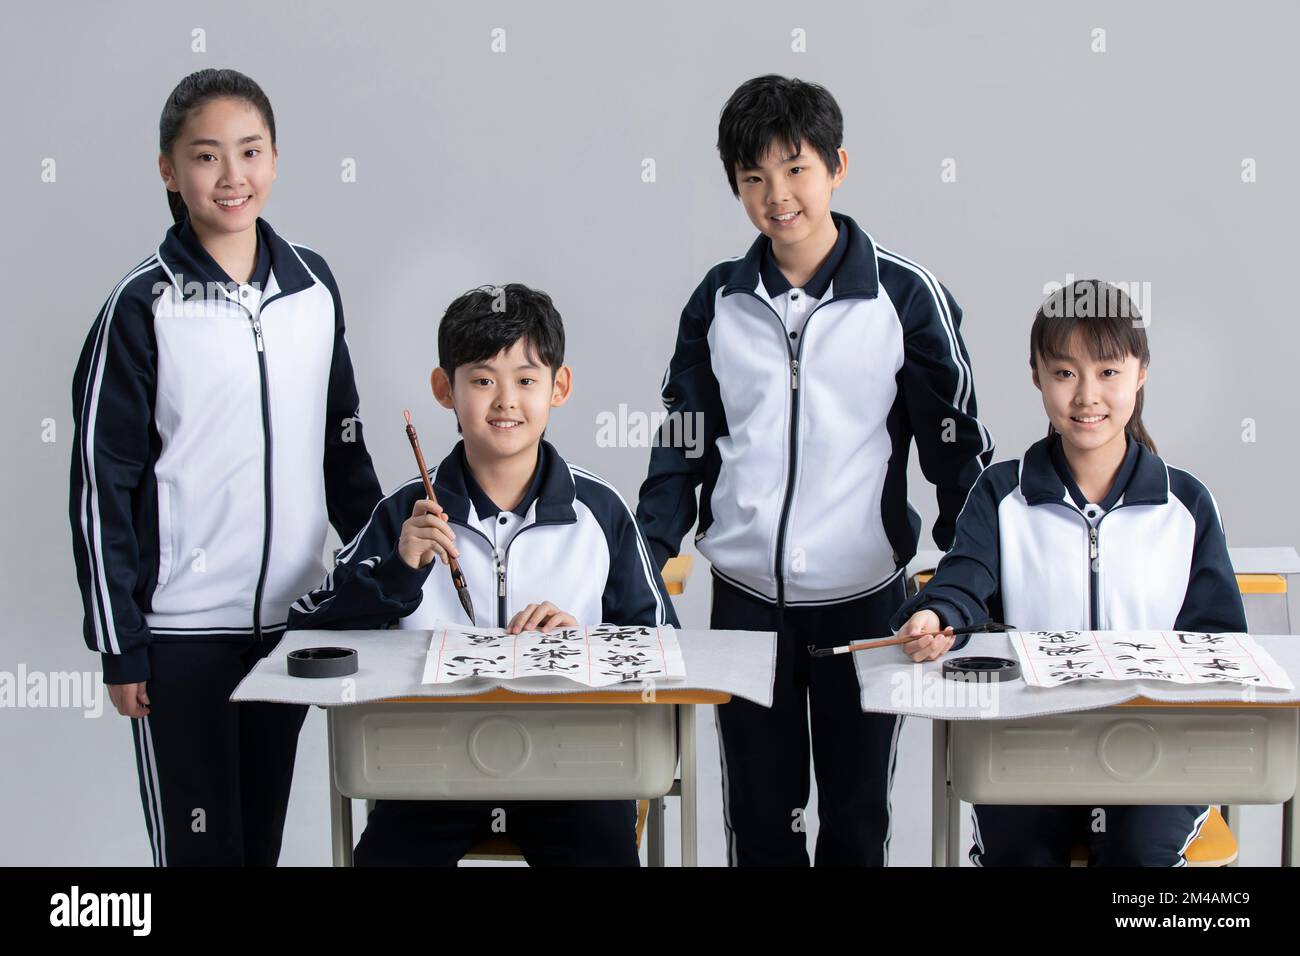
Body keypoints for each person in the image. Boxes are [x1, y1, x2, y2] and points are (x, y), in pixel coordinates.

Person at [635, 74, 993, 865]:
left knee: (857, 818)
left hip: (866, 605)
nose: (778, 196)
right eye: (754, 178)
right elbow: (683, 444)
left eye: (796, 169)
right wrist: (642, 562)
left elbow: (956, 451)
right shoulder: (718, 300)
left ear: (836, 165)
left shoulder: (906, 297)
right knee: (759, 823)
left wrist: (969, 585)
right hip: (746, 602)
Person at [68, 68, 382, 865]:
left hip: (290, 628)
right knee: (203, 854)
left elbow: (341, 446)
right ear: (169, 171)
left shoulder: (313, 287)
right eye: (206, 157)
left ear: (276, 159)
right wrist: (122, 645)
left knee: (259, 849)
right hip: (180, 639)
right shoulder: (142, 306)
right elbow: (102, 487)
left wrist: (385, 563)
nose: (232, 176)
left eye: (250, 151)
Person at [289, 283, 677, 866]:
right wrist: (398, 573)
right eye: (481, 380)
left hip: (575, 763)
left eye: (526, 379)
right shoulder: (402, 513)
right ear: (445, 390)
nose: (505, 401)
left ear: (559, 387)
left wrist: (584, 641)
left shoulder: (601, 511)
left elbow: (661, 645)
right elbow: (311, 630)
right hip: (431, 764)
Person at [892, 279, 1246, 866]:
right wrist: (935, 613)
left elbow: (1220, 637)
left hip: (1156, 747)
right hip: (1032, 738)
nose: (1087, 396)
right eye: (1064, 373)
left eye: (1108, 371)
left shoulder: (1185, 504)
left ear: (1141, 373)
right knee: (1024, 855)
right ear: (1036, 376)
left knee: (1137, 853)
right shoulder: (1001, 492)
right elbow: (964, 577)